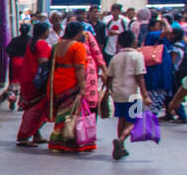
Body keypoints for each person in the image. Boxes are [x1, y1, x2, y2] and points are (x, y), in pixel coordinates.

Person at [47, 20, 95, 153]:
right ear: (78, 33)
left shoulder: (58, 45)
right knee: (70, 112)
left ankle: (59, 140)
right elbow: (79, 67)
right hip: (71, 81)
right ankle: (63, 141)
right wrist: (83, 86)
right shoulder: (78, 47)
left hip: (58, 80)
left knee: (62, 111)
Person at [106, 29, 151, 160]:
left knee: (121, 119)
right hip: (132, 93)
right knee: (134, 120)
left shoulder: (116, 57)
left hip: (118, 92)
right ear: (133, 41)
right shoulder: (137, 56)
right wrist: (145, 95)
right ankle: (121, 140)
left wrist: (108, 91)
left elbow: (109, 76)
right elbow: (140, 77)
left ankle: (122, 147)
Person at [16, 21, 53, 147]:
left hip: (28, 78)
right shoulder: (41, 44)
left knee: (34, 107)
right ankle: (24, 136)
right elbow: (43, 61)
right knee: (35, 109)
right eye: (48, 30)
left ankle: (36, 135)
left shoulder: (32, 42)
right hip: (37, 81)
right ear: (44, 32)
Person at [4, 22, 31, 109]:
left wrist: (14, 54)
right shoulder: (31, 40)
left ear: (20, 30)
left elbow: (8, 50)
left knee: (14, 82)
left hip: (15, 62)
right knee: (24, 84)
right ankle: (21, 104)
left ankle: (12, 98)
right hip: (26, 63)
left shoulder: (15, 40)